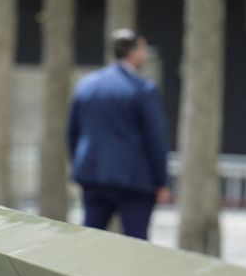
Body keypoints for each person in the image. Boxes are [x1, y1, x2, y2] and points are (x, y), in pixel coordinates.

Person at [67, 29, 170, 239]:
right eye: (143, 49)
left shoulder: (86, 85)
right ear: (133, 52)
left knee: (90, 239)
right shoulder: (143, 90)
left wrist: (79, 163)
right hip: (135, 180)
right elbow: (155, 138)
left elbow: (72, 132)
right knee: (136, 243)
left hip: (93, 175)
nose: (146, 55)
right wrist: (161, 181)